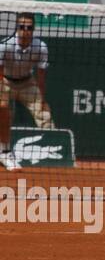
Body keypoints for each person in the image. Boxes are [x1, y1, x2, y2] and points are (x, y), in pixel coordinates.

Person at [0, 12, 54, 171]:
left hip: (27, 83)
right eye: (21, 27)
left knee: (45, 115)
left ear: (33, 29)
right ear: (16, 28)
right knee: (2, 110)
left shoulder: (41, 47)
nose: (25, 30)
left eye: (29, 27)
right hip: (5, 81)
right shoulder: (5, 45)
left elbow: (41, 75)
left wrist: (43, 100)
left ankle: (54, 155)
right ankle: (5, 151)